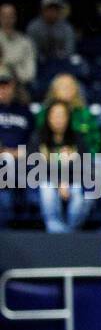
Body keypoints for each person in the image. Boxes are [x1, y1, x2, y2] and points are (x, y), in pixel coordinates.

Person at [31, 101, 90, 232]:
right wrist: (58, 182)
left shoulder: (77, 139)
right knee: (47, 189)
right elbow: (33, 169)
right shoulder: (38, 138)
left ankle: (69, 232)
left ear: (68, 118)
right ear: (48, 117)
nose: (58, 120)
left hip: (72, 182)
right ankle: (55, 231)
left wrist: (66, 180)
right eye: (55, 115)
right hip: (45, 182)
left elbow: (85, 168)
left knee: (79, 192)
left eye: (62, 115)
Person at [0, 67, 30, 227]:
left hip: (22, 159)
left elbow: (35, 140)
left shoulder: (24, 111)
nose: (2, 90)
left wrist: (22, 152)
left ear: (13, 86)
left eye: (6, 85)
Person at [0, 3, 37, 88]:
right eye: (4, 16)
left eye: (10, 16)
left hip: (19, 86)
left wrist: (9, 66)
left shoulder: (26, 42)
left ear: (15, 18)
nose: (7, 19)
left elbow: (30, 74)